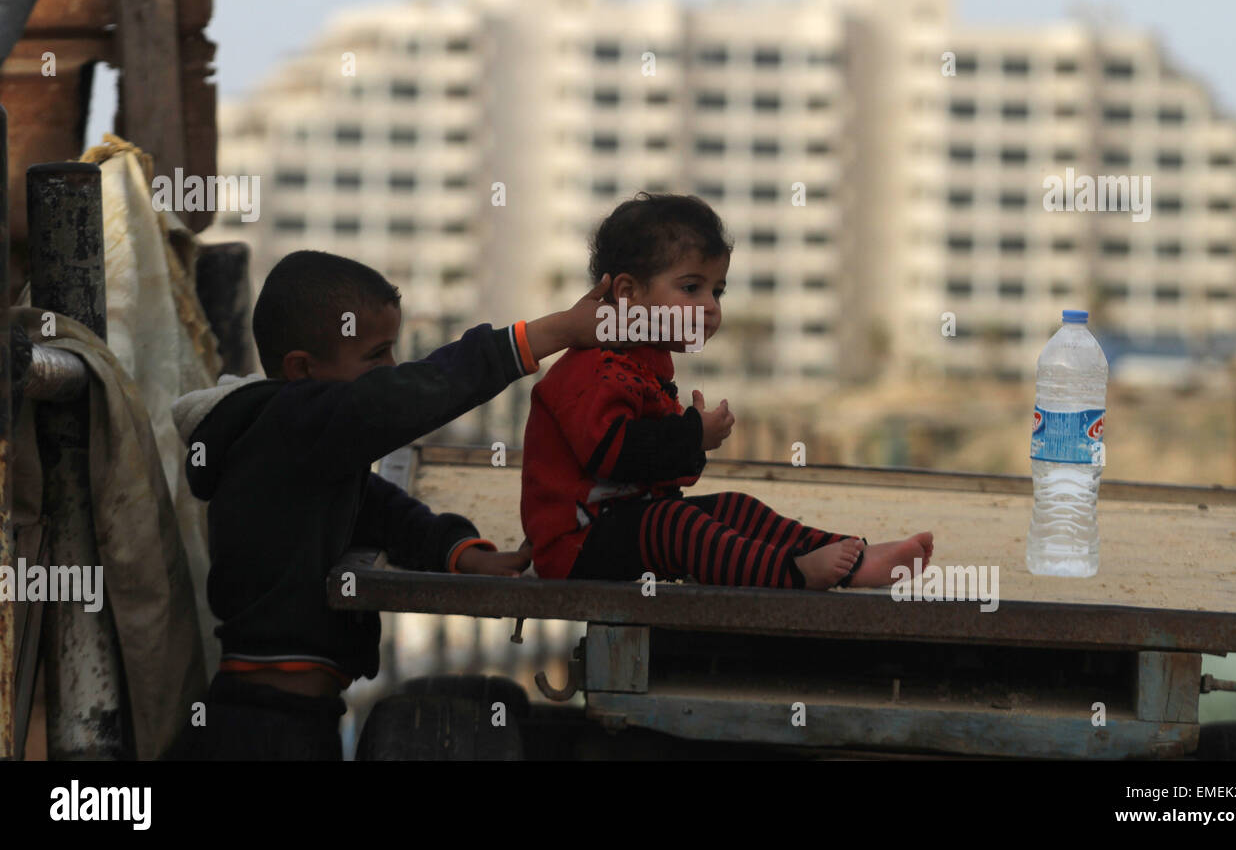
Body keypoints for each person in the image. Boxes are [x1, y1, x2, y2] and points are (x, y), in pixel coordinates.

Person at [169, 249, 612, 759]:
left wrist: (462, 552)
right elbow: (403, 396)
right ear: (303, 371)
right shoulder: (287, 427)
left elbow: (379, 508)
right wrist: (552, 332)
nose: (391, 369)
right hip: (263, 729)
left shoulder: (303, 450)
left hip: (291, 714)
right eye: (377, 356)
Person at [521, 193, 934, 590]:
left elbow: (665, 472)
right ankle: (792, 573)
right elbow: (613, 455)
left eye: (716, 291)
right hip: (577, 548)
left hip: (630, 523)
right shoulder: (591, 367)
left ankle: (852, 560)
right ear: (628, 294)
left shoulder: (647, 362)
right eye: (690, 288)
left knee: (737, 508)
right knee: (679, 527)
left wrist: (693, 442)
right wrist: (691, 435)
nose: (711, 306)